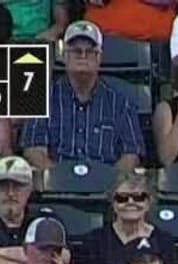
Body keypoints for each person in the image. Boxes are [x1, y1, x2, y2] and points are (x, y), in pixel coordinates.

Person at [21, 22, 145, 172]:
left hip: (105, 188)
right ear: (64, 56)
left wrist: (109, 181)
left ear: (99, 57)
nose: (83, 56)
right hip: (56, 188)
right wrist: (59, 179)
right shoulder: (41, 98)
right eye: (76, 51)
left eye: (90, 51)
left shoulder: (121, 103)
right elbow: (33, 150)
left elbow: (131, 154)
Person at [76, 172, 178, 264]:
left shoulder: (163, 241)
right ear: (113, 204)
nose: (130, 202)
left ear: (148, 203)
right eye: (122, 198)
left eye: (139, 197)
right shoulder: (95, 240)